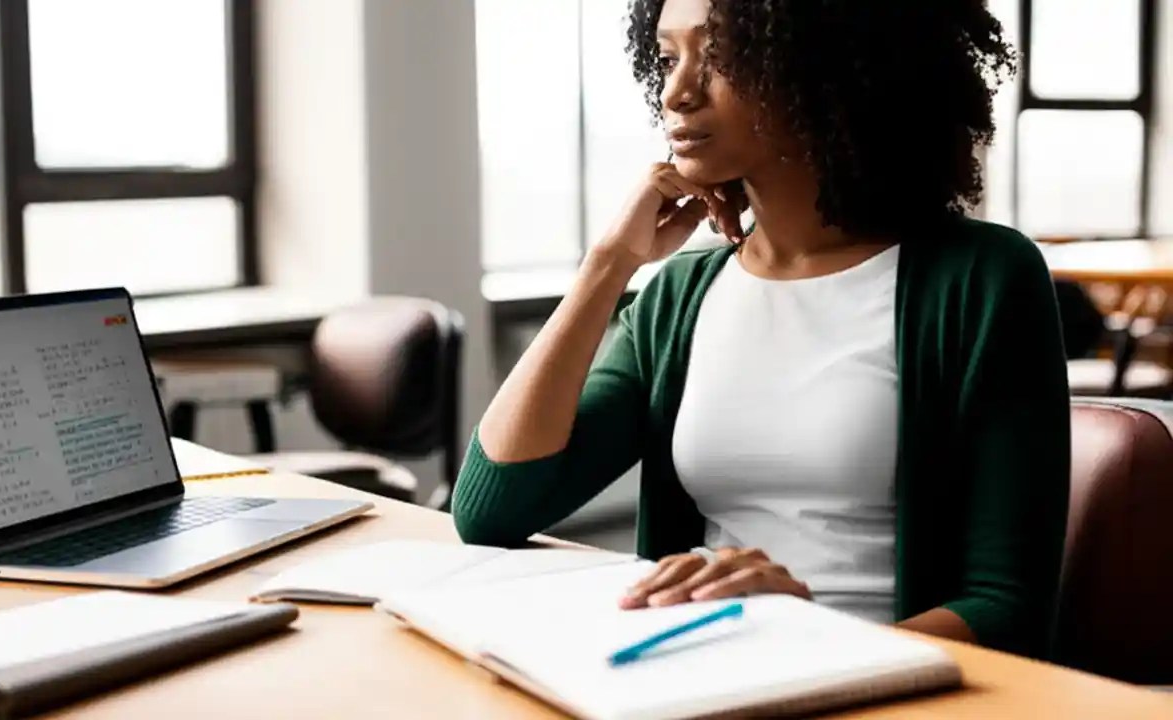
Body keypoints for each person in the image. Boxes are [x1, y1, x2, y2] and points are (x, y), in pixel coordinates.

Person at [453, 0, 1069, 658]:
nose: (677, 91)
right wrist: (608, 264)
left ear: (825, 66)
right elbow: (495, 509)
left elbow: (1009, 609)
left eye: (721, 56)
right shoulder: (682, 296)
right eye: (667, 58)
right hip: (705, 671)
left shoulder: (981, 278)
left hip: (885, 685)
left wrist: (808, 642)